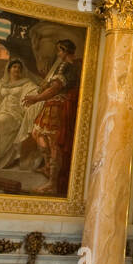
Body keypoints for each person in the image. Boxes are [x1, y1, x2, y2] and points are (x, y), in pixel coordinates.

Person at [22, 40, 82, 194]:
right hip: (51, 105)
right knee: (37, 134)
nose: (58, 54)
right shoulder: (63, 66)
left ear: (64, 50)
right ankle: (49, 166)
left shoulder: (67, 66)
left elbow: (55, 89)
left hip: (58, 107)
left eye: (59, 51)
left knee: (54, 143)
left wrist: (36, 98)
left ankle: (52, 183)